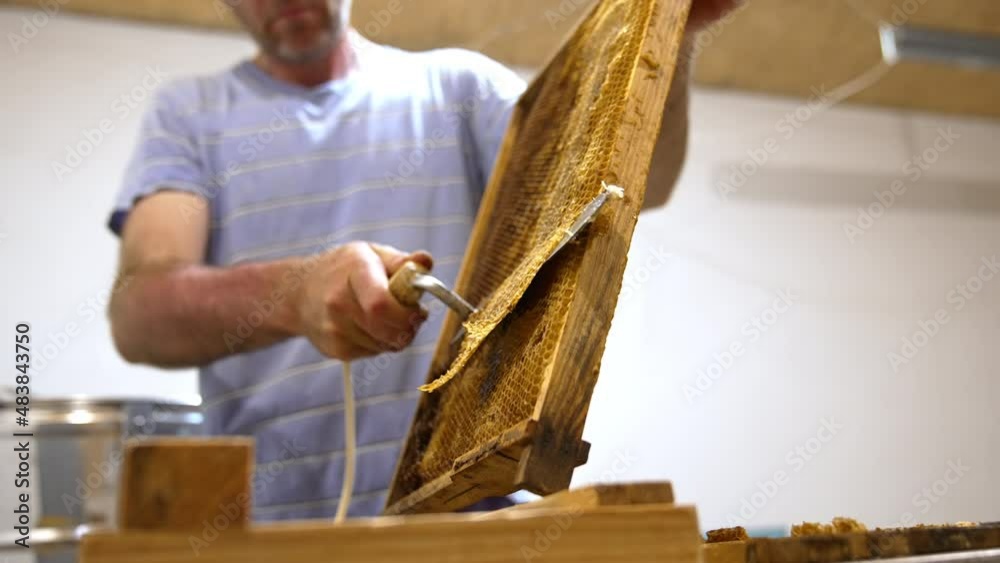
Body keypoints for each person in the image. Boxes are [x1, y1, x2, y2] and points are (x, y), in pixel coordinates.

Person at [107, 0, 741, 519]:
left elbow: (636, 182)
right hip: (278, 536)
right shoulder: (189, 115)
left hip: (477, 525)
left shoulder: (458, 89)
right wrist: (296, 293)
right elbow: (140, 313)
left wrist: (672, 27)